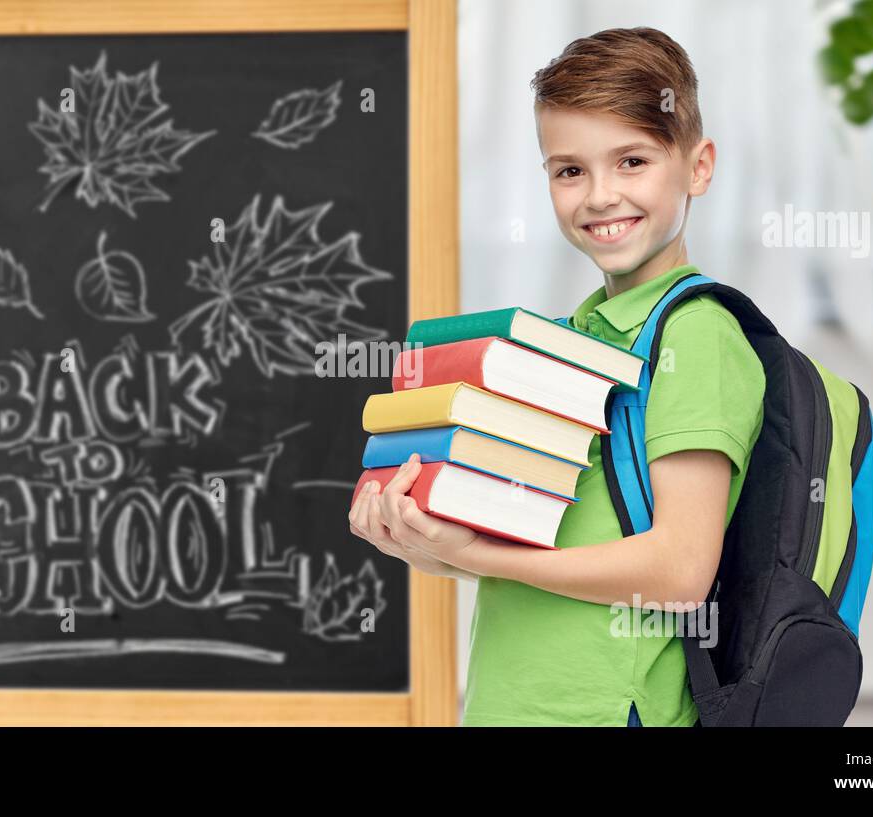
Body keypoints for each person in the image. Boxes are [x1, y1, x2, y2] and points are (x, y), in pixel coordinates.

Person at [348, 27, 765, 726]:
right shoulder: (580, 338)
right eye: (569, 170)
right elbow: (550, 550)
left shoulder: (695, 335)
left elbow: (680, 570)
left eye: (632, 161)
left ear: (698, 166)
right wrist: (429, 545)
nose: (600, 195)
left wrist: (484, 557)